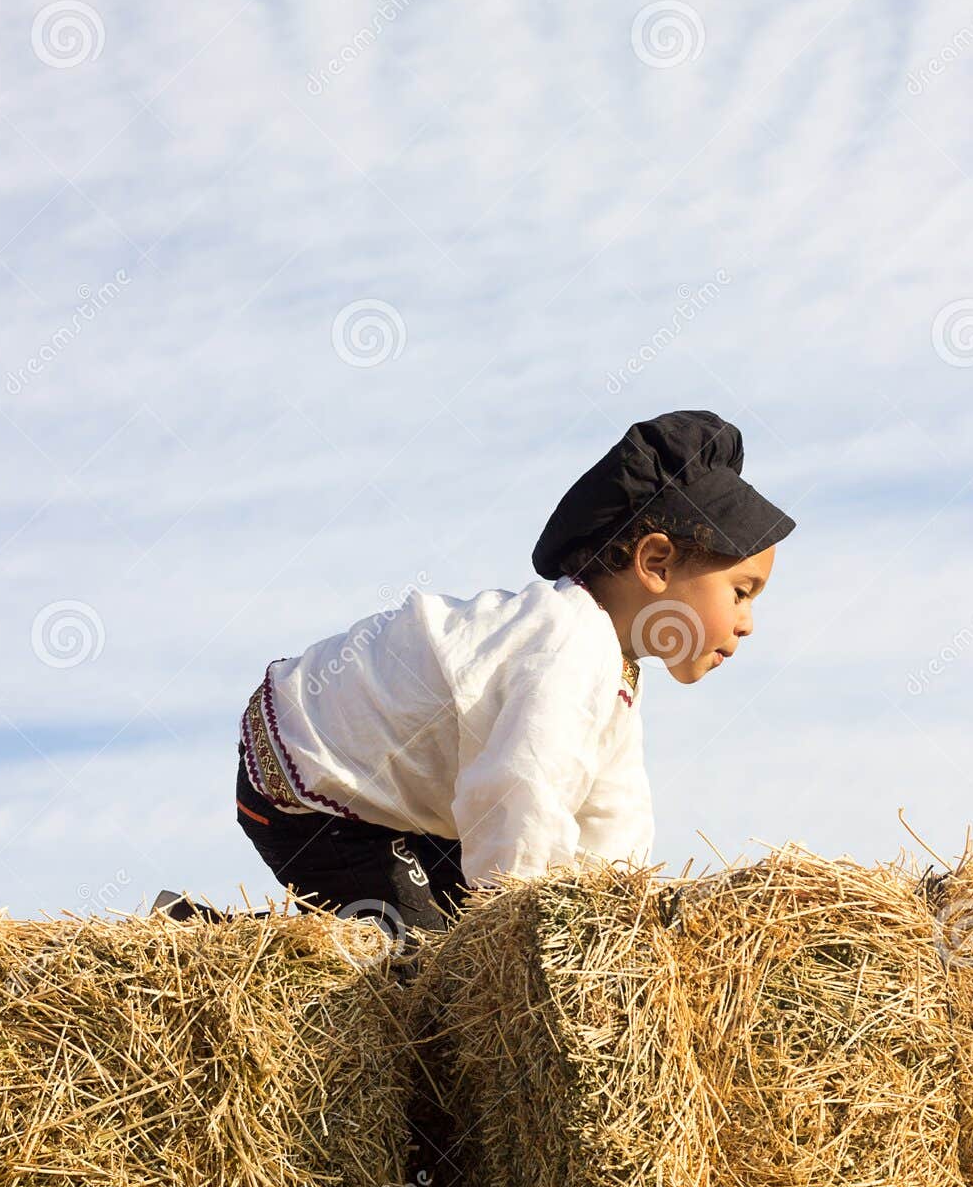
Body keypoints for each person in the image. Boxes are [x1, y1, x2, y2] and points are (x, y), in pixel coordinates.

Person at [233, 408, 796, 966]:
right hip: (311, 784)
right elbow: (523, 788)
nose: (748, 623)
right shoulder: (564, 643)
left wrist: (620, 933)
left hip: (408, 807)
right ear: (654, 562)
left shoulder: (615, 670)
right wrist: (525, 951)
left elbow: (612, 814)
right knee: (433, 976)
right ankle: (218, 947)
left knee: (459, 931)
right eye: (742, 592)